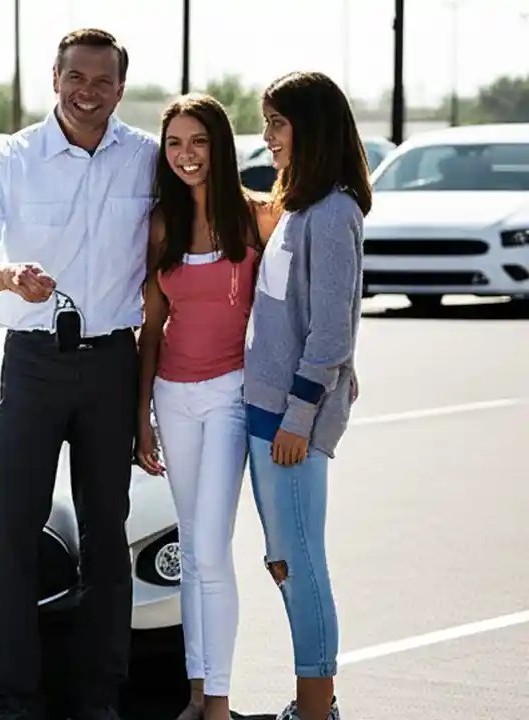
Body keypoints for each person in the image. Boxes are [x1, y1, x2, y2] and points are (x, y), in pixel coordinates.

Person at [0, 27, 159, 720]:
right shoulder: (12, 160)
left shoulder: (148, 160)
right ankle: (13, 700)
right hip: (32, 367)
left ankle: (99, 699)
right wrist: (10, 276)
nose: (88, 92)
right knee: (12, 535)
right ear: (55, 79)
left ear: (121, 88)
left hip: (112, 367)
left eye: (103, 81)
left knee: (106, 535)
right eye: (77, 78)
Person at [134, 93, 276, 720]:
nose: (186, 155)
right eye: (174, 144)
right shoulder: (161, 223)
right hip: (171, 393)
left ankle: (217, 701)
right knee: (191, 548)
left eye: (198, 142)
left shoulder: (255, 218)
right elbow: (151, 324)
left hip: (229, 395)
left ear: (219, 145)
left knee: (212, 549)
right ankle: (195, 694)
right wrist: (141, 412)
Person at [245, 70, 372, 720]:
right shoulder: (297, 207)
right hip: (264, 411)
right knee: (284, 560)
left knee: (301, 562)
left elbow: (332, 333)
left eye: (277, 123)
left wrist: (299, 416)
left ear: (311, 129)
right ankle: (311, 706)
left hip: (290, 421)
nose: (267, 137)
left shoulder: (332, 213)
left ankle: (316, 711)